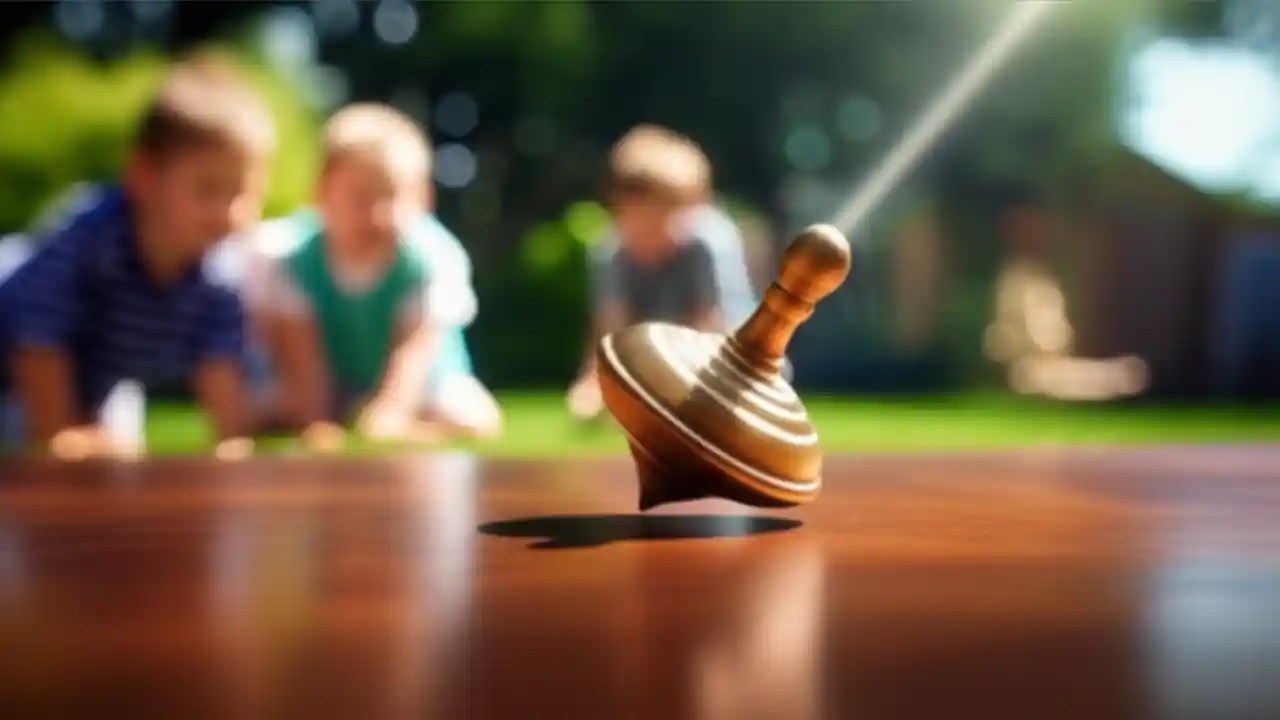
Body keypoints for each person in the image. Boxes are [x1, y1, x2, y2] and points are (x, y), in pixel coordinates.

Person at [0, 57, 274, 459]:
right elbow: (36, 339)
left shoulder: (220, 278)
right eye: (207, 190)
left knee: (121, 457)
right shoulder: (90, 239)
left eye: (242, 193)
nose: (227, 212)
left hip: (99, 381)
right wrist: (58, 433)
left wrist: (235, 456)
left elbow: (224, 397)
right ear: (144, 177)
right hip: (15, 370)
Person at [248, 103, 500, 447]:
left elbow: (413, 351)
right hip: (335, 379)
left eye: (391, 196)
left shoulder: (431, 257)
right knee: (260, 407)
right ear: (320, 195)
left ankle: (405, 424)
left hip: (428, 380)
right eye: (359, 197)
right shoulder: (293, 257)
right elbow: (299, 348)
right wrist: (314, 420)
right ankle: (352, 414)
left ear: (423, 199)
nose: (376, 213)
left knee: (472, 417)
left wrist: (391, 412)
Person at [566, 124, 756, 420]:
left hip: (724, 356)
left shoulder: (708, 244)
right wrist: (594, 384)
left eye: (660, 217)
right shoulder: (612, 252)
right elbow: (610, 330)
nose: (649, 230)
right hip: (653, 360)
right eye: (638, 217)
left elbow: (712, 327)